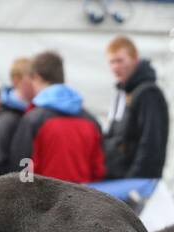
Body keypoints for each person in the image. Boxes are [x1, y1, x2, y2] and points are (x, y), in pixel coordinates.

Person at [7, 50, 104, 183]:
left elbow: (22, 168)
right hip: (83, 199)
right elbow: (98, 169)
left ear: (37, 77)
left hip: (44, 201)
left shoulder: (33, 119)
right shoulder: (91, 120)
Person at [103, 35, 168, 179]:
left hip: (134, 184)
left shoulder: (148, 94)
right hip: (117, 180)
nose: (115, 67)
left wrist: (133, 183)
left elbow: (151, 144)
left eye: (120, 60)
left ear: (135, 59)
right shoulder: (121, 94)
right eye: (111, 62)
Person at [0, 57, 34, 176]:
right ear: (16, 80)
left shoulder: (33, 113)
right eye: (31, 77)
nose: (35, 83)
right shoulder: (7, 118)